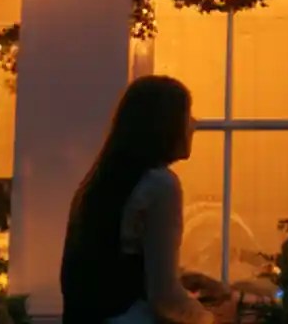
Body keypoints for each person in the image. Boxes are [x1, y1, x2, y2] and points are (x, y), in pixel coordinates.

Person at [61, 75, 234, 324]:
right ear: (166, 125)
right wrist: (213, 318)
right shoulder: (161, 185)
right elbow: (165, 298)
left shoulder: (99, 185)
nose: (194, 124)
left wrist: (180, 277)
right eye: (187, 115)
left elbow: (110, 270)